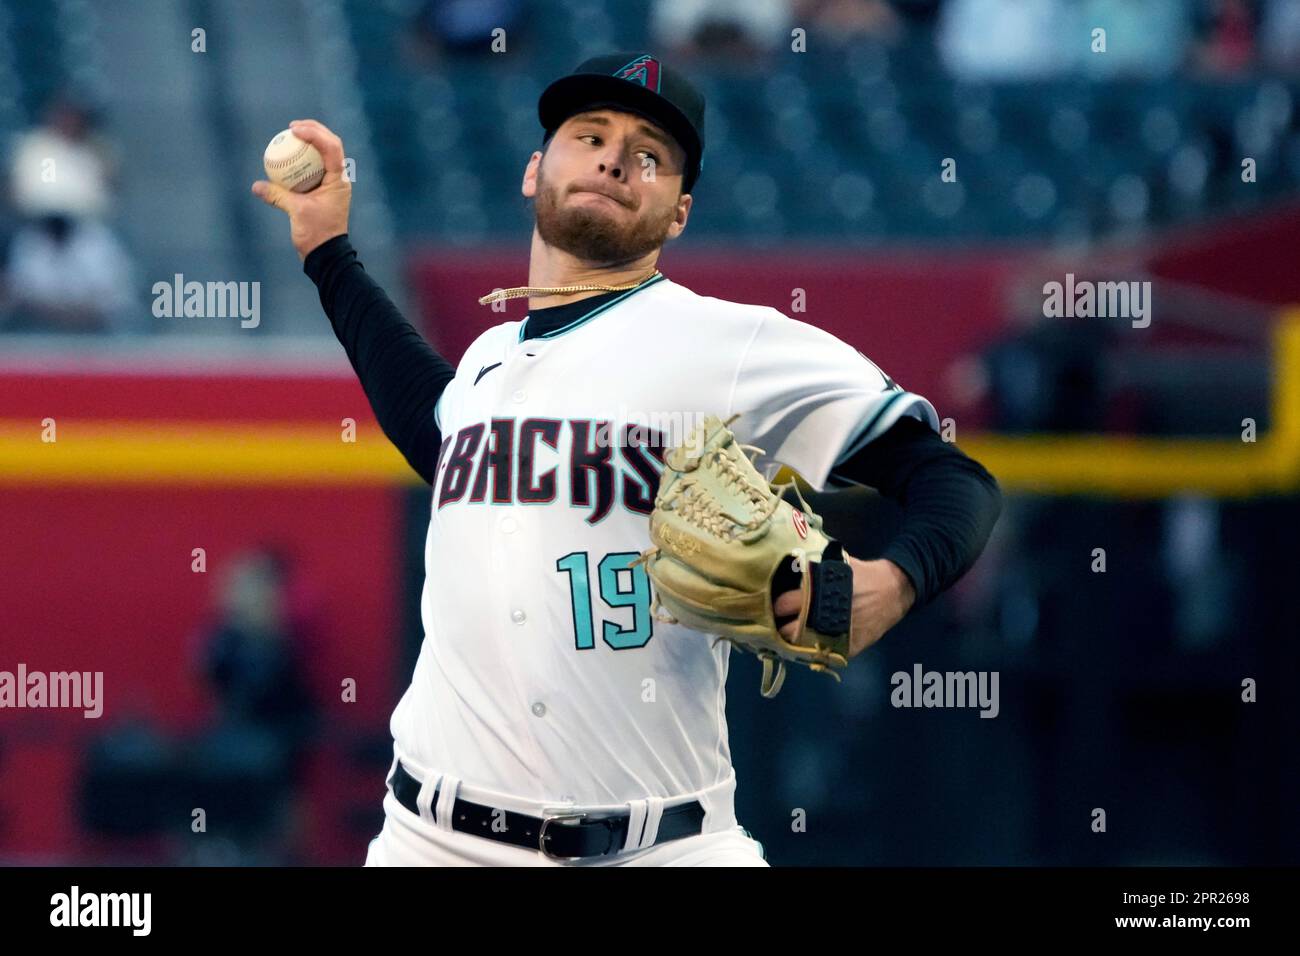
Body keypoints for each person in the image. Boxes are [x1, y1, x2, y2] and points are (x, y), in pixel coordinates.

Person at [252, 52, 1001, 866]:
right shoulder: (488, 363)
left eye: (649, 154)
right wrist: (329, 251)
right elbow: (432, 425)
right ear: (536, 170)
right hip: (429, 839)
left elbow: (952, 480)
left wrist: (890, 585)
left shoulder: (732, 345)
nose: (615, 158)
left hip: (664, 847)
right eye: (590, 135)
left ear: (678, 212)